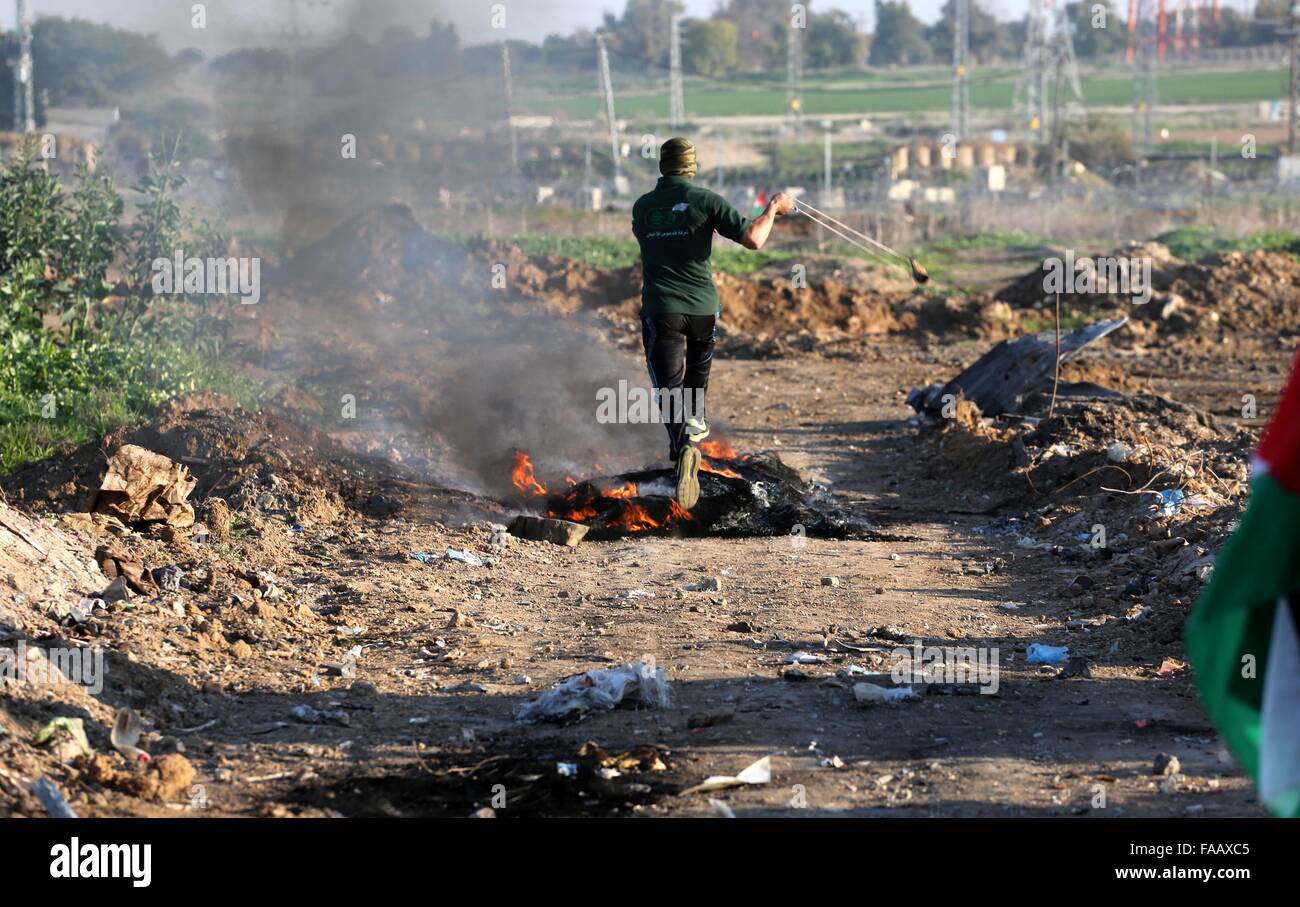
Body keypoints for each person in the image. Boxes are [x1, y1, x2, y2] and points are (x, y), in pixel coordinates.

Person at [631, 137, 795, 509]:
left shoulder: (643, 207)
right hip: (704, 310)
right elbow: (754, 239)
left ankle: (684, 448)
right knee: (696, 377)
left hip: (662, 310)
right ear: (692, 166)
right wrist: (773, 208)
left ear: (662, 165)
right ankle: (695, 426)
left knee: (669, 389)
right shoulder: (706, 201)